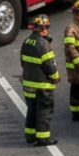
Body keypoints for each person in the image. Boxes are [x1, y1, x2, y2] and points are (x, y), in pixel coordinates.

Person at [20, 15, 60, 146]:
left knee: (32, 110)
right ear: (44, 29)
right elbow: (50, 66)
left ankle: (30, 136)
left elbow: (23, 63)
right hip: (42, 87)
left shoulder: (26, 42)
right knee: (44, 110)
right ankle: (43, 138)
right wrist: (56, 76)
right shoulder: (44, 45)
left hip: (28, 85)